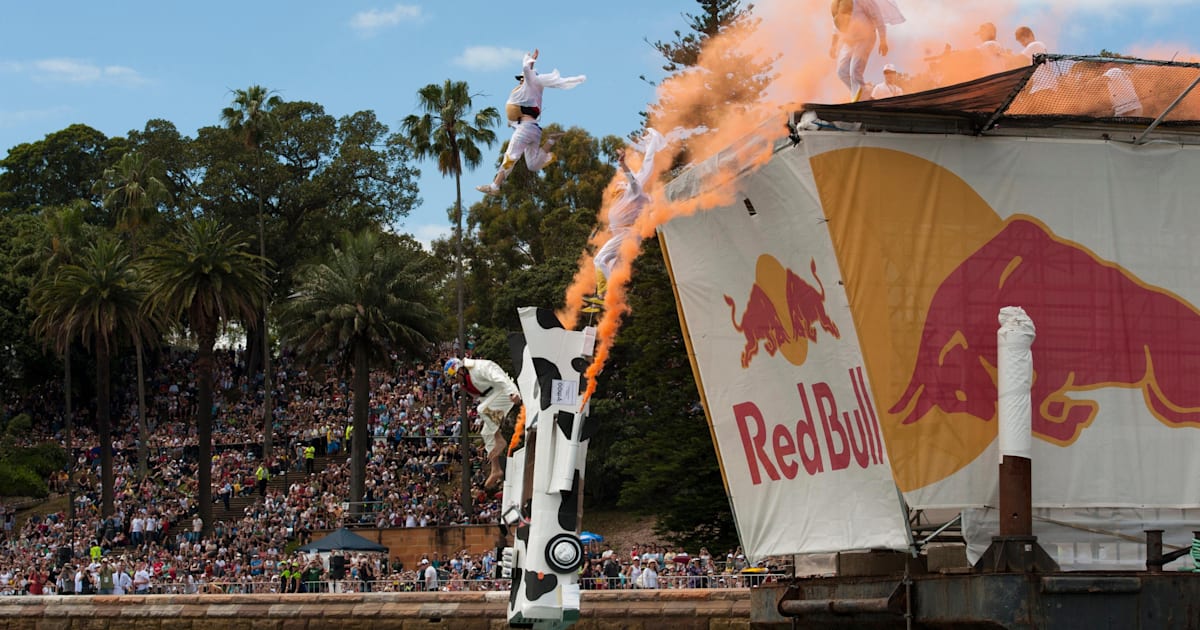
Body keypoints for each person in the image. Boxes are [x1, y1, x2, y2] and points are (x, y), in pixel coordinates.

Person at [477, 49, 586, 196]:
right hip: (533, 130)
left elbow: (527, 72)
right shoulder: (533, 90)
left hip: (525, 129)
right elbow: (529, 77)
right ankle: (551, 141)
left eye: (522, 78)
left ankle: (495, 186)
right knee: (533, 165)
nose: (521, 80)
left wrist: (530, 61)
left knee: (510, 157)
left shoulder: (529, 86)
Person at [585, 128, 669, 311]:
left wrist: (623, 164)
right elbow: (646, 165)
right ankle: (606, 298)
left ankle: (606, 295)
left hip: (627, 234)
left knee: (599, 260)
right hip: (627, 234)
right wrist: (651, 145)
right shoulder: (628, 196)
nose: (616, 187)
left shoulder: (633, 190)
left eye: (619, 185)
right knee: (613, 268)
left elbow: (632, 179)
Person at [444, 357, 521, 489]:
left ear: (460, 371)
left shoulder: (479, 368)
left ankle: (500, 440)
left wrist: (512, 393)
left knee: (481, 410)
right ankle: (496, 469)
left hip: (506, 391)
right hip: (496, 396)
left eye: (454, 377)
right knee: (486, 432)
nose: (454, 381)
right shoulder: (465, 382)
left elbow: (499, 377)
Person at [829, 0, 904, 102]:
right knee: (841, 72)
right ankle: (864, 93)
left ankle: (860, 98)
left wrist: (883, 40)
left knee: (855, 71)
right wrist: (833, 46)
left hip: (865, 37)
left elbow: (877, 18)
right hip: (849, 40)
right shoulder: (836, 4)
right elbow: (836, 27)